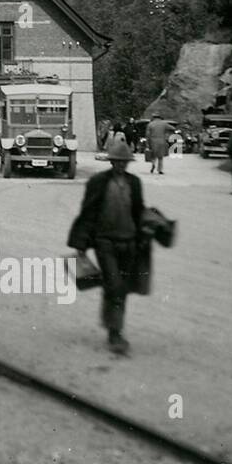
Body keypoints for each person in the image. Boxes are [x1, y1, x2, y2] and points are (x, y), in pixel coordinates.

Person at [68, 135, 148, 355]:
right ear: (111, 162)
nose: (121, 166)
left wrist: (148, 230)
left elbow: (139, 211)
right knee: (114, 284)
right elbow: (88, 212)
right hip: (105, 242)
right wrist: (81, 243)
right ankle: (115, 333)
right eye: (117, 162)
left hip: (128, 242)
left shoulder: (134, 183)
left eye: (124, 163)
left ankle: (112, 323)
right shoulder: (99, 182)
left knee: (120, 287)